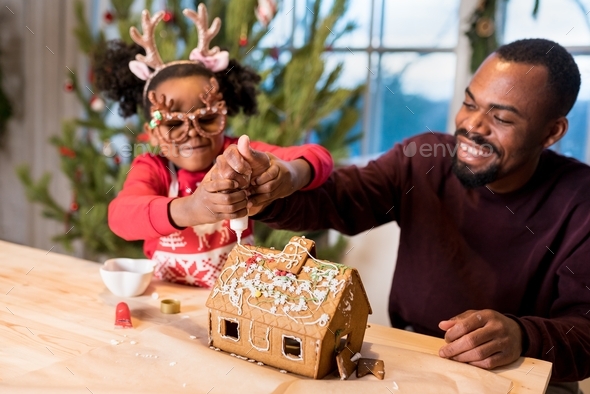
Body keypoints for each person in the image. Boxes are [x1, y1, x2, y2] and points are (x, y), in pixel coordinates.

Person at [216, 38, 590, 390]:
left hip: (522, 375)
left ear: (551, 132)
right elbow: (339, 199)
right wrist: (271, 188)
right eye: (470, 104)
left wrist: (522, 335)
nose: (472, 126)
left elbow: (586, 335)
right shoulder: (422, 159)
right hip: (415, 360)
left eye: (503, 119)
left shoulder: (580, 200)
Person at [95, 6, 332, 288]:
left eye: (206, 119)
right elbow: (120, 216)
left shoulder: (239, 156)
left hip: (236, 296)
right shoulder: (154, 168)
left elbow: (319, 157)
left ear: (224, 116)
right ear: (153, 134)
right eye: (173, 125)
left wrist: (290, 175)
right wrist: (193, 208)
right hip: (171, 303)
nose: (192, 134)